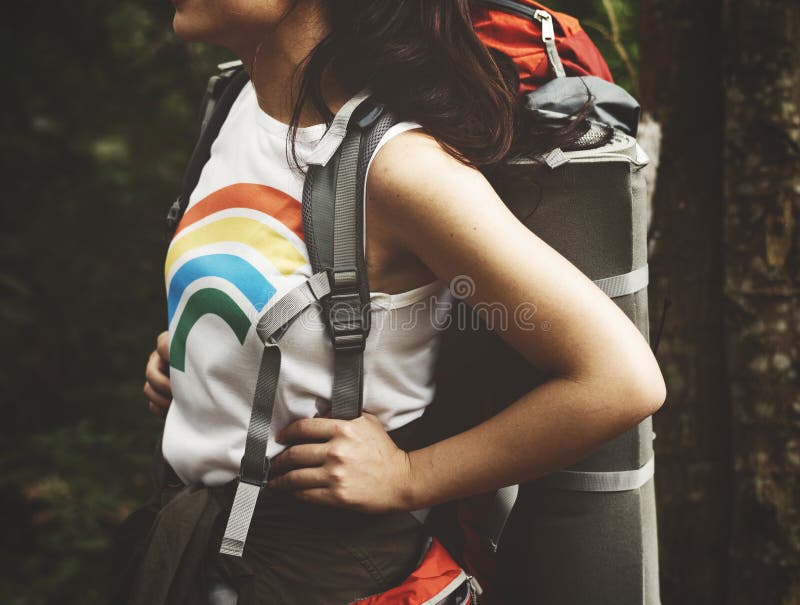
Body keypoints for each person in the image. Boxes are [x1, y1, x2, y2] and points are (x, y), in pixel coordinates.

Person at [135, 1, 666, 603]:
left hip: (326, 575)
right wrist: (201, 357)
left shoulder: (401, 169)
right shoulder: (237, 106)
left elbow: (620, 380)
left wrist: (411, 478)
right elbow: (261, 282)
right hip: (200, 553)